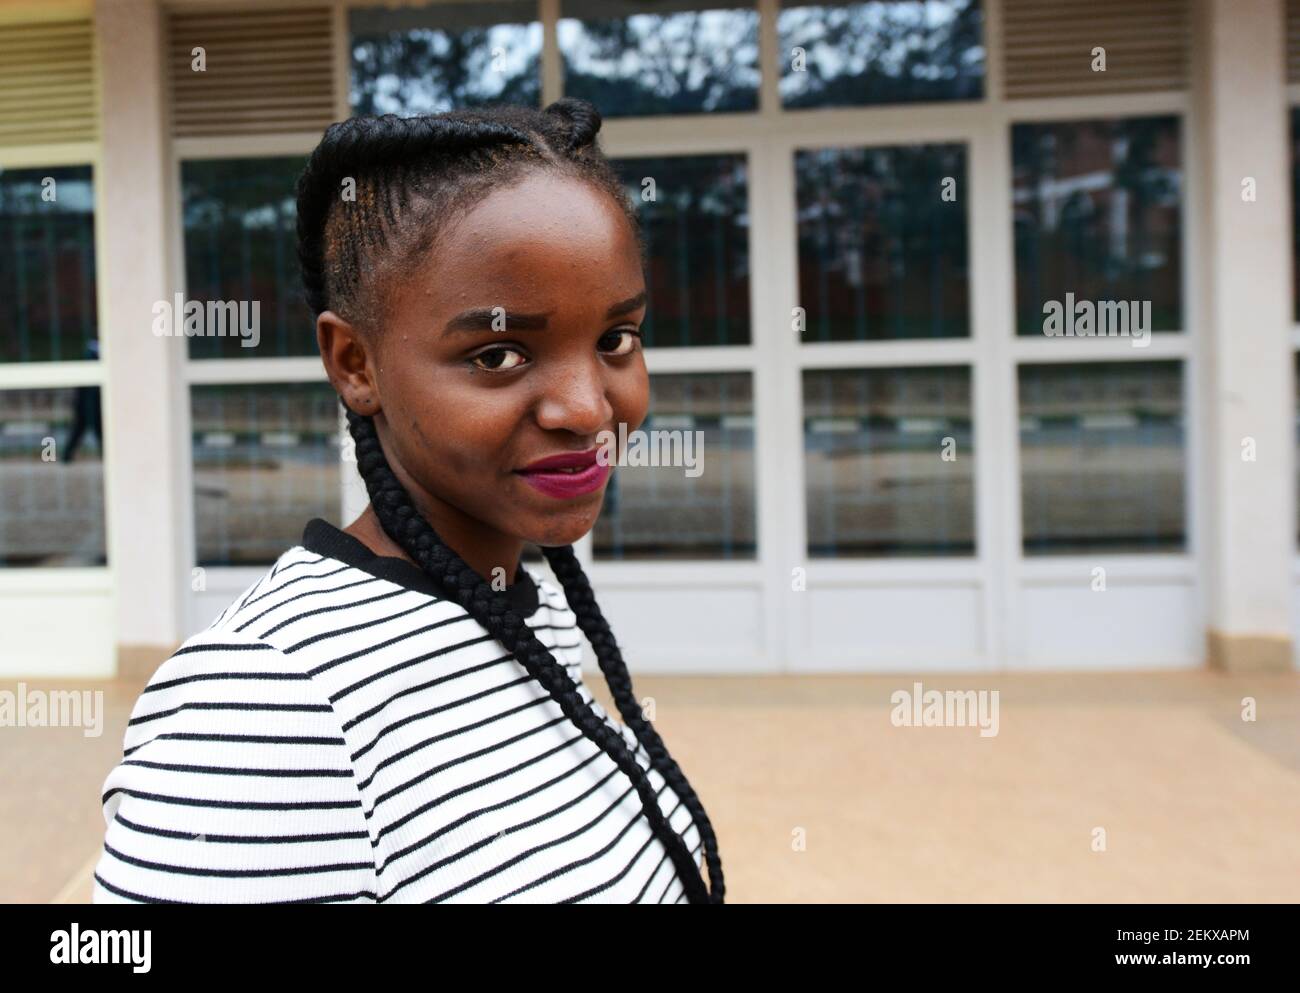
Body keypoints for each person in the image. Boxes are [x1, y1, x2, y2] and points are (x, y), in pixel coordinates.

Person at [91, 98, 725, 904]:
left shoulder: (524, 608)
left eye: (615, 340)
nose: (588, 409)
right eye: (498, 353)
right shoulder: (266, 700)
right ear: (355, 363)